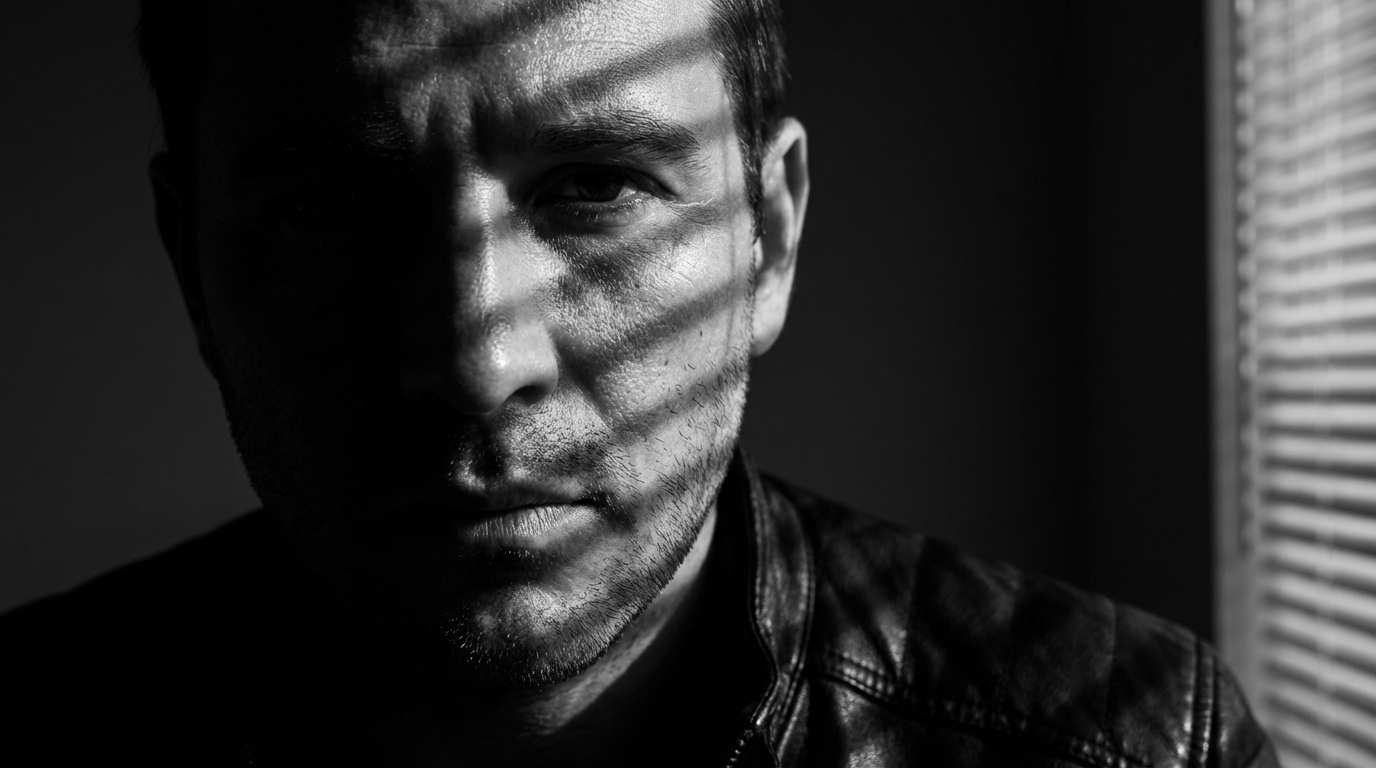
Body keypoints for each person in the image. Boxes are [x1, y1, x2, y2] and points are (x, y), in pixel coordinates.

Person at [0, 0, 1276, 765]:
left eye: (595, 187)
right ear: (192, 267)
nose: (473, 361)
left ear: (766, 239)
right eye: (329, 211)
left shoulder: (1123, 742)